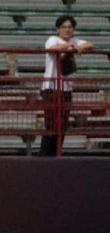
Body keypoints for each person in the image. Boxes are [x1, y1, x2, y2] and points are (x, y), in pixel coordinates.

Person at [38, 15, 93, 156]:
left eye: (70, 27)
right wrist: (70, 46)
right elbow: (52, 48)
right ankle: (45, 156)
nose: (67, 30)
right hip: (51, 88)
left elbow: (89, 44)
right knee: (51, 124)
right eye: (64, 27)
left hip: (66, 89)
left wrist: (77, 46)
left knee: (63, 124)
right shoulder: (53, 39)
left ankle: (57, 153)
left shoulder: (74, 41)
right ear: (58, 29)